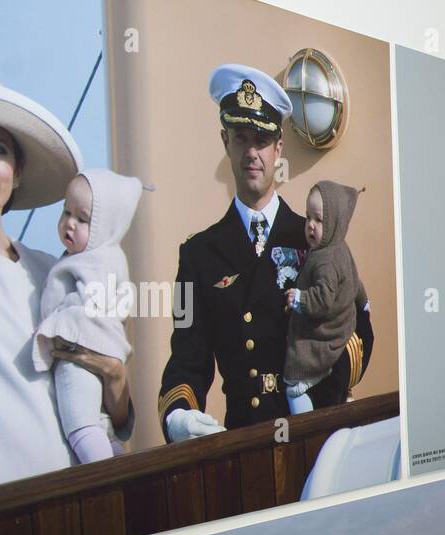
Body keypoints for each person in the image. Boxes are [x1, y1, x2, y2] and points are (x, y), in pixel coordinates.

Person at [0, 74, 132, 498]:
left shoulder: (52, 271)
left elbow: (109, 411)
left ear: (18, 171)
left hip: (75, 504)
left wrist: (116, 378)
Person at [158, 65, 373, 442]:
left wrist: (322, 392)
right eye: (241, 138)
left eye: (261, 139)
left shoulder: (316, 237)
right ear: (225, 142)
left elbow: (358, 332)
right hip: (246, 447)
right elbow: (186, 361)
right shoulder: (197, 256)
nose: (251, 152)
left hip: (319, 435)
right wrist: (178, 417)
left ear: (278, 149)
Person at [32, 169, 146, 463]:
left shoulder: (95, 262)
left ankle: (106, 477)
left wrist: (55, 323)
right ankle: (118, 463)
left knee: (80, 428)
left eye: (82, 219)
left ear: (104, 228)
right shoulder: (104, 258)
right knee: (99, 426)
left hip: (76, 356)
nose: (69, 223)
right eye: (66, 212)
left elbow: (62, 303)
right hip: (97, 356)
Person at [283, 181, 368, 415]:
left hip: (323, 340)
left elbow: (324, 298)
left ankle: (306, 419)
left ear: (334, 222)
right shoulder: (339, 247)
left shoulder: (325, 260)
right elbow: (355, 281)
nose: (310, 225)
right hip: (343, 331)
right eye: (308, 217)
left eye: (319, 220)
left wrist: (299, 299)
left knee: (293, 385)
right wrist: (365, 303)